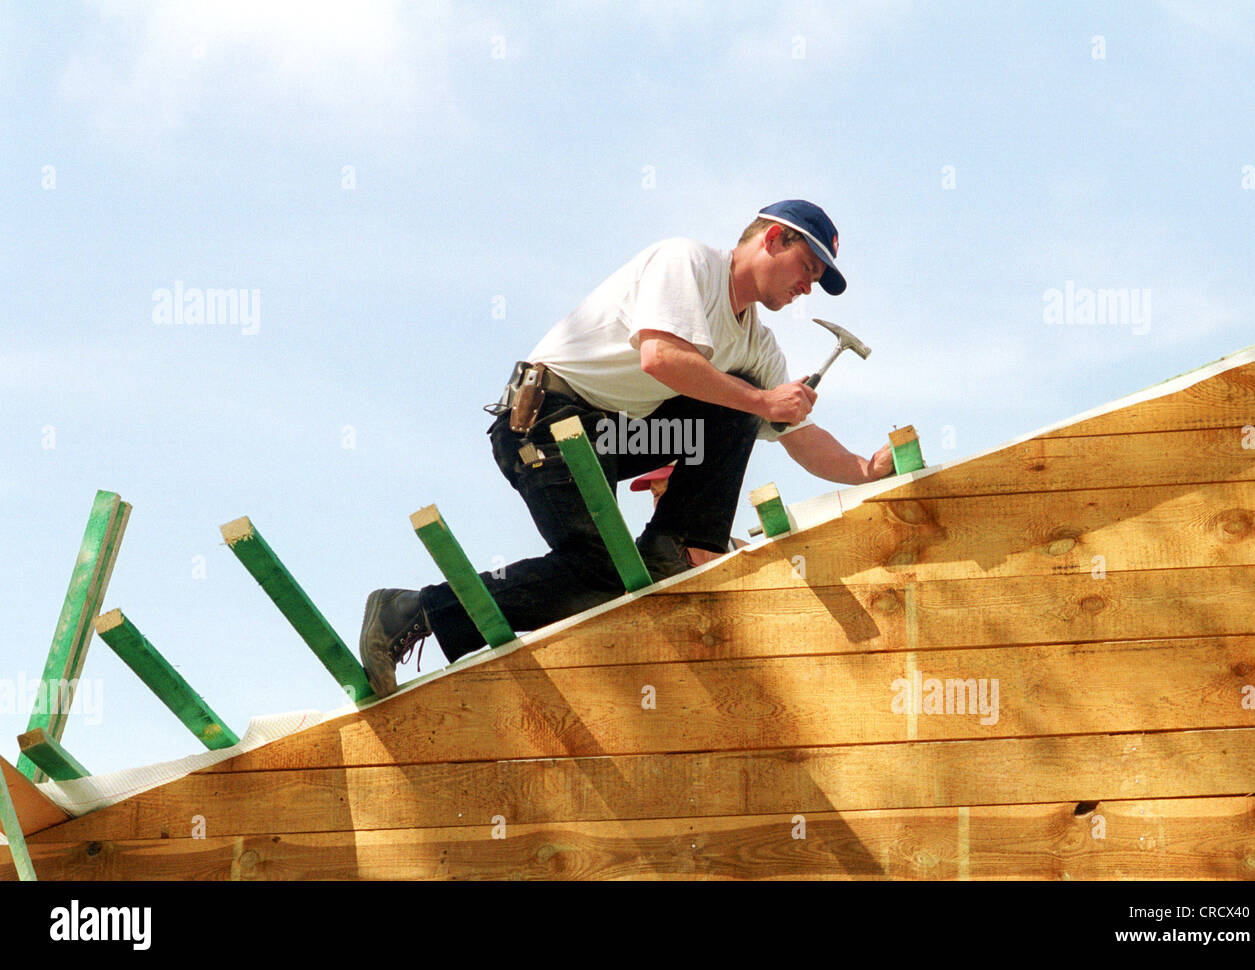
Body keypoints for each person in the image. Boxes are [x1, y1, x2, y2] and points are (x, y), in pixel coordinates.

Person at [360, 200, 896, 697]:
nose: (808, 286)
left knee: (742, 409)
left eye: (818, 279)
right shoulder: (687, 262)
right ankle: (411, 610)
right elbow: (661, 357)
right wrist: (763, 399)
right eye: (808, 267)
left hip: (613, 439)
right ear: (774, 239)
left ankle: (673, 545)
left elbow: (797, 436)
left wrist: (864, 469)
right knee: (602, 571)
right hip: (545, 423)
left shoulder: (756, 344)